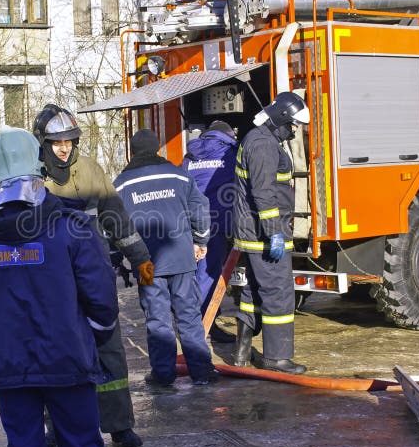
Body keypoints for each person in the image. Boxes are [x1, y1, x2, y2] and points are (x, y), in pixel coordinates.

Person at [0, 128, 118, 447]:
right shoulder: (74, 229)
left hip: (7, 367)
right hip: (67, 360)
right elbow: (102, 305)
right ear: (39, 165)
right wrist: (88, 339)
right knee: (83, 445)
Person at [33, 104, 151, 447]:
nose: (64, 147)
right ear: (44, 143)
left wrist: (141, 258)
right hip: (52, 282)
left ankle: (118, 425)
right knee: (57, 353)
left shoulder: (90, 170)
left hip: (93, 276)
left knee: (108, 350)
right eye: (57, 142)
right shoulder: (33, 176)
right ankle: (57, 425)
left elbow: (116, 217)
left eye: (69, 140)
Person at [113, 129, 217, 386]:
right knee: (189, 315)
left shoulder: (121, 184)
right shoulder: (179, 175)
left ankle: (163, 374)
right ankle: (202, 373)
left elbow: (112, 224)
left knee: (157, 319)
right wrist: (200, 240)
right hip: (181, 258)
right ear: (158, 149)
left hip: (147, 264)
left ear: (133, 152)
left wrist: (118, 258)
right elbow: (200, 209)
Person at [232, 92, 309, 375]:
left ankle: (241, 353)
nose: (294, 130)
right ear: (281, 119)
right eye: (292, 125)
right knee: (278, 293)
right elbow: (263, 194)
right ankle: (276, 358)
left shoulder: (260, 139)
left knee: (253, 291)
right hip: (263, 235)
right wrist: (275, 233)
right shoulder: (263, 145)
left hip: (254, 233)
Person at [182, 120, 238, 343]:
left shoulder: (190, 156)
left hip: (188, 223)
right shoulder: (229, 153)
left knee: (194, 275)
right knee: (208, 274)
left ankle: (200, 321)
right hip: (215, 224)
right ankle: (201, 326)